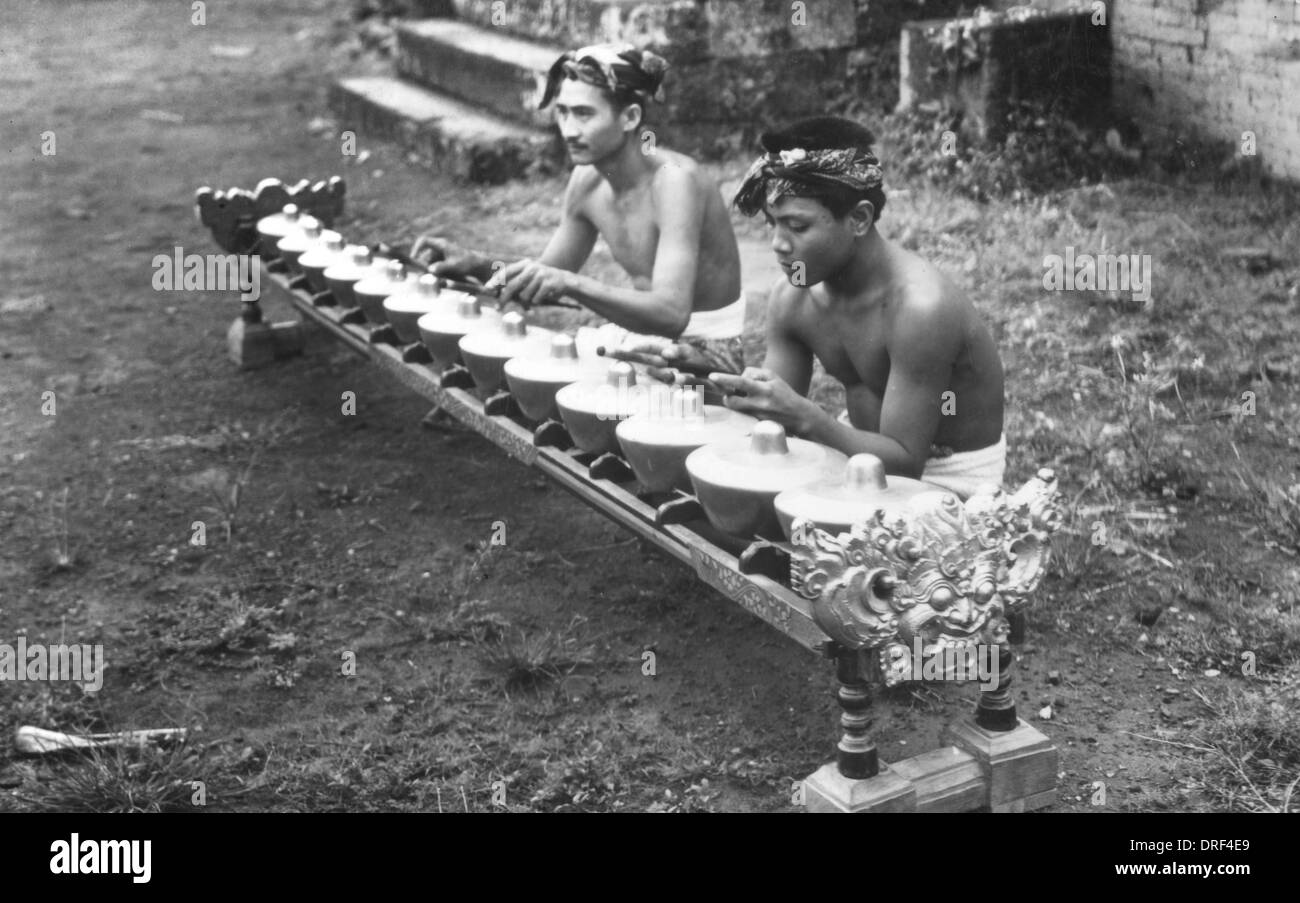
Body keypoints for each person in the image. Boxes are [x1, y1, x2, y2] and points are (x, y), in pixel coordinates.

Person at [704, 116, 1007, 499]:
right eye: (771, 224)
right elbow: (770, 418)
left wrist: (808, 418)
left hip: (944, 478)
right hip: (855, 455)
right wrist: (706, 380)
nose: (778, 244)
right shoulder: (794, 296)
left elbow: (905, 464)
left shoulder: (920, 309)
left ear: (859, 219)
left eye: (797, 227)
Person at [411, 44, 746, 376]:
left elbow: (672, 313)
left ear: (630, 117)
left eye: (584, 114)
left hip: (705, 350)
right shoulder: (587, 180)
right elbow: (546, 276)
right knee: (525, 367)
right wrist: (478, 264)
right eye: (563, 112)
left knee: (568, 389)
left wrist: (571, 283)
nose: (569, 130)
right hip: (647, 338)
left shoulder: (675, 182)